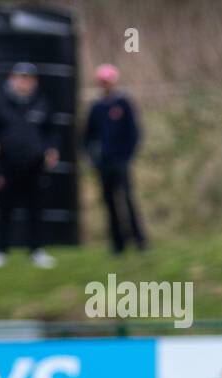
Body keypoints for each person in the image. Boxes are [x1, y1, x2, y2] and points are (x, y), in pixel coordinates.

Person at [0, 62, 59, 270]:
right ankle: (0, 252)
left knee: (35, 210)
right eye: (20, 77)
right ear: (12, 79)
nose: (23, 82)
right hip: (6, 166)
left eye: (28, 78)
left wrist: (51, 149)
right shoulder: (1, 103)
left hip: (35, 167)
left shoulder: (42, 103)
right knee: (4, 211)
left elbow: (50, 132)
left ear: (34, 82)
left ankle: (36, 251)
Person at [83, 63, 147, 254]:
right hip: (104, 164)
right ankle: (117, 244)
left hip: (121, 162)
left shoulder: (123, 104)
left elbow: (134, 133)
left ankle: (139, 240)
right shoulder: (96, 108)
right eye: (102, 82)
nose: (105, 85)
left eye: (108, 81)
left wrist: (127, 156)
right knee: (109, 203)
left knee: (127, 200)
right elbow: (86, 137)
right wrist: (93, 159)